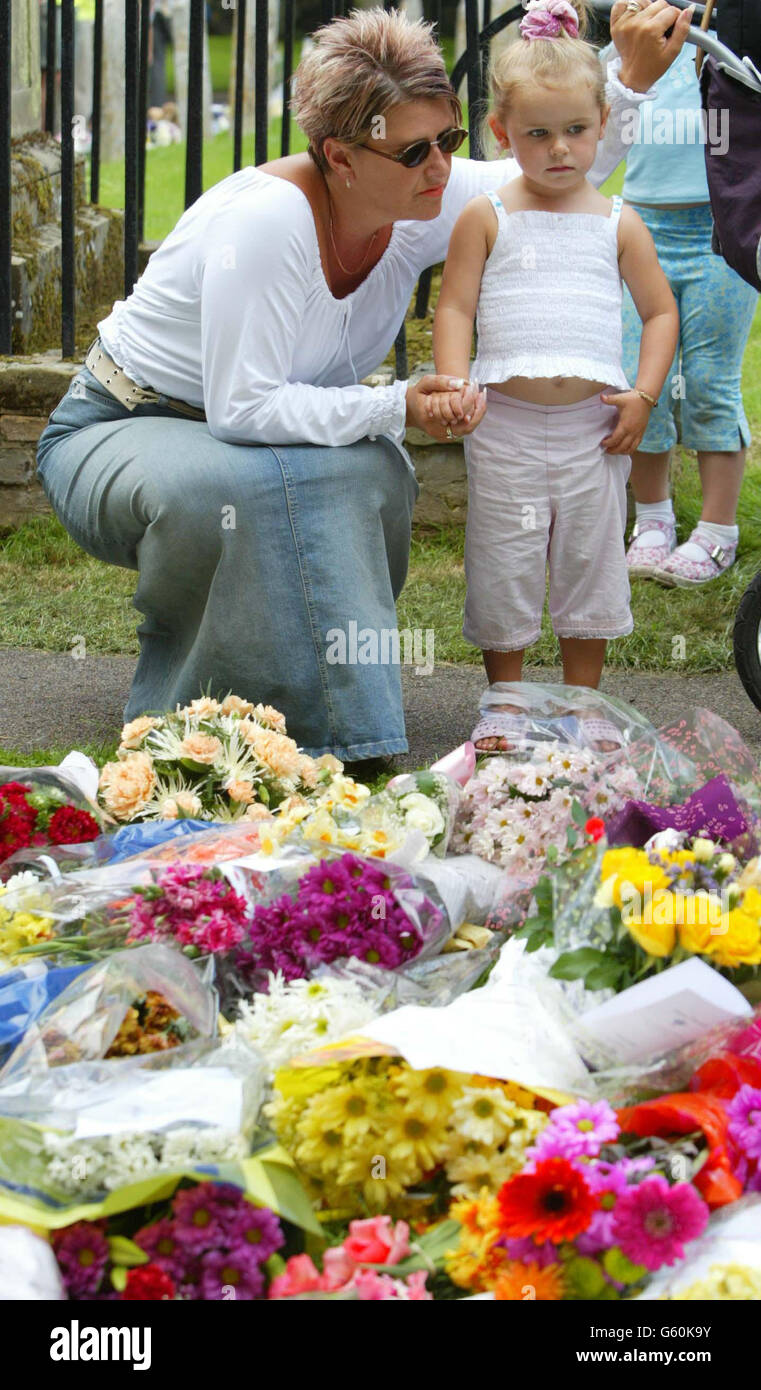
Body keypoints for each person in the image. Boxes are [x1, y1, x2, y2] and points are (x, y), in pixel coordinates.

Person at [35, 4, 693, 766]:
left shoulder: (422, 189)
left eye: (447, 140)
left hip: (247, 431)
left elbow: (552, 163)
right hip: (124, 424)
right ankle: (200, 729)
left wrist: (628, 79)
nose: (441, 167)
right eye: (416, 151)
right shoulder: (263, 223)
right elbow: (243, 408)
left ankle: (334, 729)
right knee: (233, 483)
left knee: (366, 466)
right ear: (340, 157)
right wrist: (396, 401)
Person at [430, 0, 679, 751]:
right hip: (502, 425)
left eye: (574, 130)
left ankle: (581, 705)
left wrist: (641, 394)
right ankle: (504, 701)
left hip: (592, 429)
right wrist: (450, 384)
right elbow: (454, 308)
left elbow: (660, 313)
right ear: (501, 134)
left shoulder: (618, 223)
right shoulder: (485, 216)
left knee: (589, 562)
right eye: (536, 134)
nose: (558, 149)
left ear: (602, 124)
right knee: (502, 560)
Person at [607, 38, 759, 586]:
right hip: (642, 230)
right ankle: (653, 520)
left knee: (706, 381)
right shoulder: (634, 44)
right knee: (637, 376)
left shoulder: (731, 43)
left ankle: (717, 531)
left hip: (721, 232)